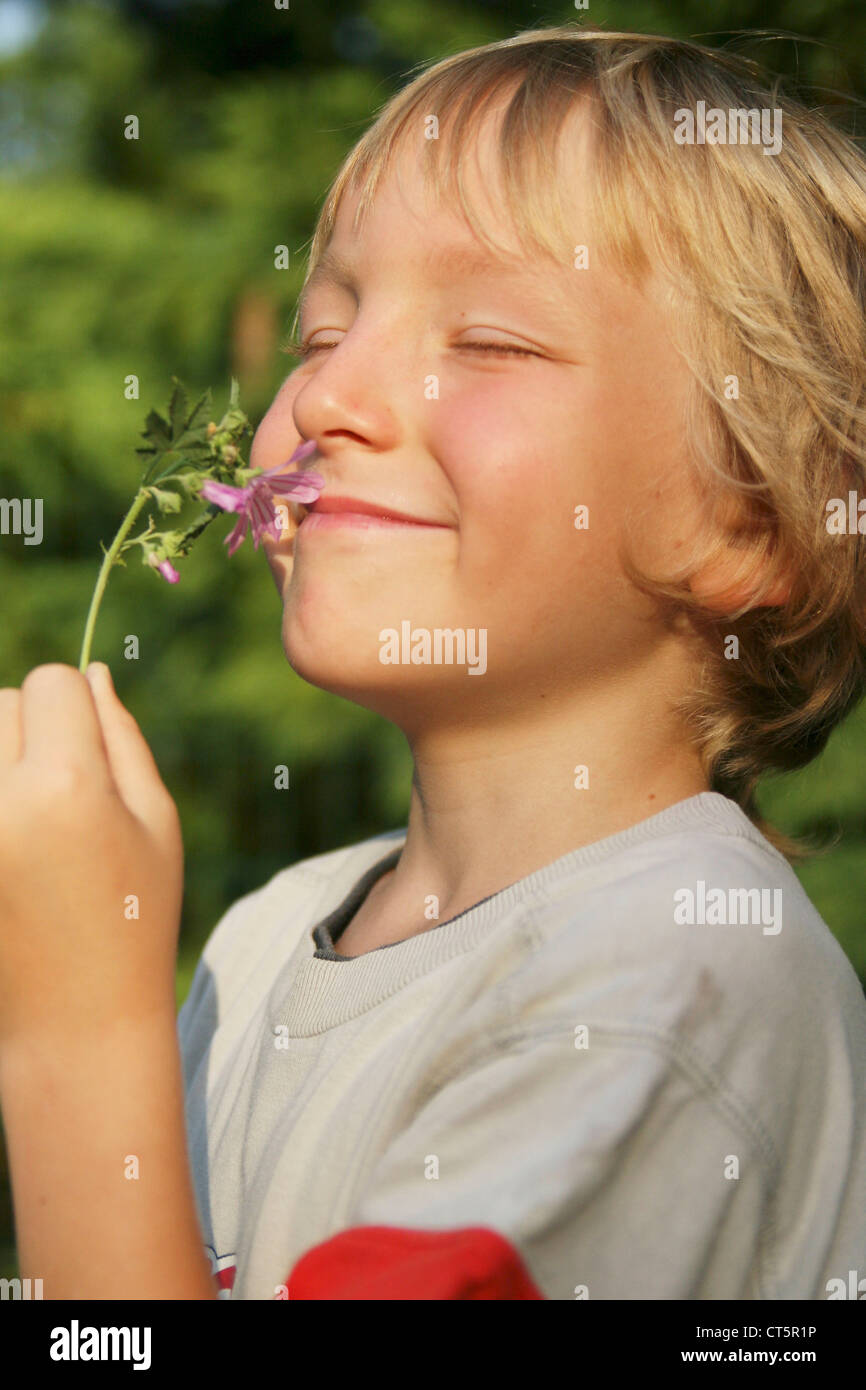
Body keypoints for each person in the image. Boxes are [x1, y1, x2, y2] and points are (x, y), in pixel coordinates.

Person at [2, 25, 865, 1300]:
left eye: (490, 342)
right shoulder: (267, 938)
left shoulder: (675, 977)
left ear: (743, 517)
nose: (328, 398)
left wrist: (74, 1037)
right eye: (319, 335)